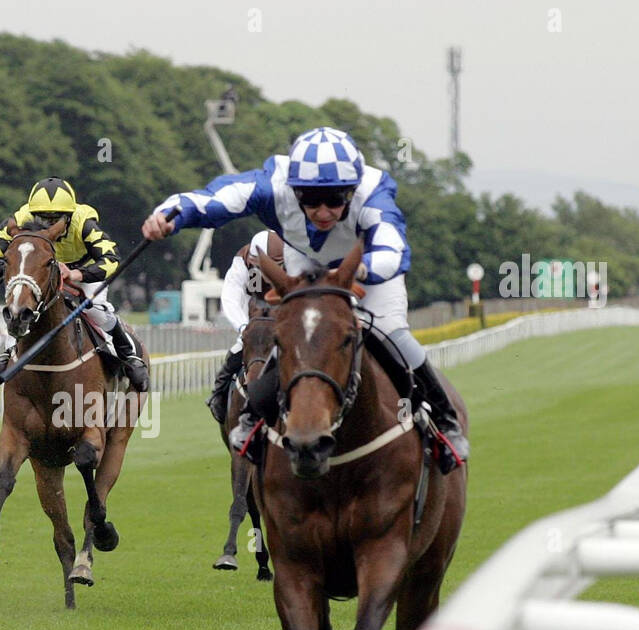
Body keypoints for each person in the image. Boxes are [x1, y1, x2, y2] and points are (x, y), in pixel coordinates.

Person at [141, 126, 467, 467]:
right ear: (293, 190)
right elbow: (215, 198)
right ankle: (254, 415)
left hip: (366, 267)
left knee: (391, 332)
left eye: (336, 199)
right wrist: (168, 216)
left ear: (352, 190)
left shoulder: (374, 192)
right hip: (307, 261)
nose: (323, 211)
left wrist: (357, 271)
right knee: (295, 334)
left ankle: (445, 420)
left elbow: (393, 249)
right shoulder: (271, 185)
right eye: (310, 199)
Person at [0, 177, 148, 392]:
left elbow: (112, 260)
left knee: (95, 310)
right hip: (38, 274)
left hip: (82, 272)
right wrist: (19, 266)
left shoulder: (84, 222)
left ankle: (128, 354)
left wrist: (76, 274)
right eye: (41, 218)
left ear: (69, 215)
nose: (48, 225)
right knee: (20, 306)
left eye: (55, 218)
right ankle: (9, 351)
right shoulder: (18, 221)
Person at [206, 230, 287, 423]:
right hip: (255, 316)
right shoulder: (242, 260)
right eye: (259, 266)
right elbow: (231, 296)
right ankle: (219, 393)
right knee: (238, 349)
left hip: (285, 314)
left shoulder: (295, 258)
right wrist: (244, 328)